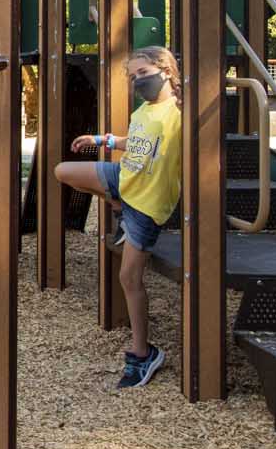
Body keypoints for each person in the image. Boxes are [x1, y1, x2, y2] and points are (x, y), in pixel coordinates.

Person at [54, 45, 183, 389]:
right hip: (124, 179)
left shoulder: (179, 112)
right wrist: (104, 139)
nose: (138, 81)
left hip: (147, 204)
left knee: (129, 278)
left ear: (166, 71)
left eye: (143, 73)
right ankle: (115, 201)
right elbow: (139, 142)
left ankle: (143, 353)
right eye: (132, 76)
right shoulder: (143, 110)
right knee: (63, 170)